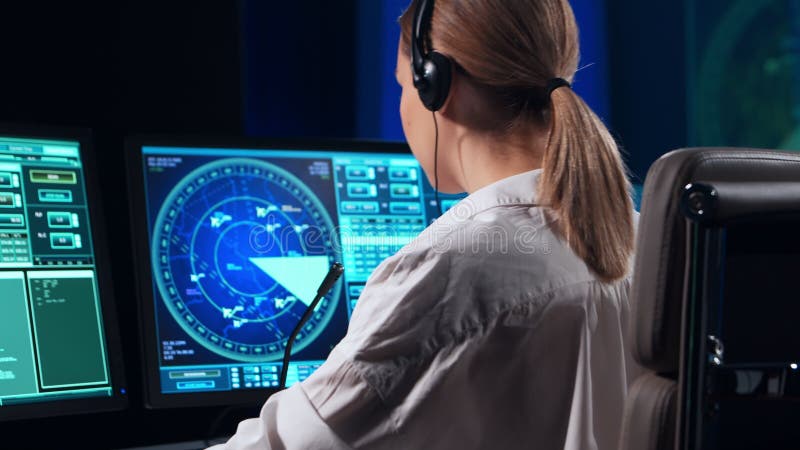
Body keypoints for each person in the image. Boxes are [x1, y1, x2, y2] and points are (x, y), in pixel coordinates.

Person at [210, 0, 637, 448]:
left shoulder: (450, 273)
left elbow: (298, 443)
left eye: (403, 86)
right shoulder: (643, 238)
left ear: (436, 86)